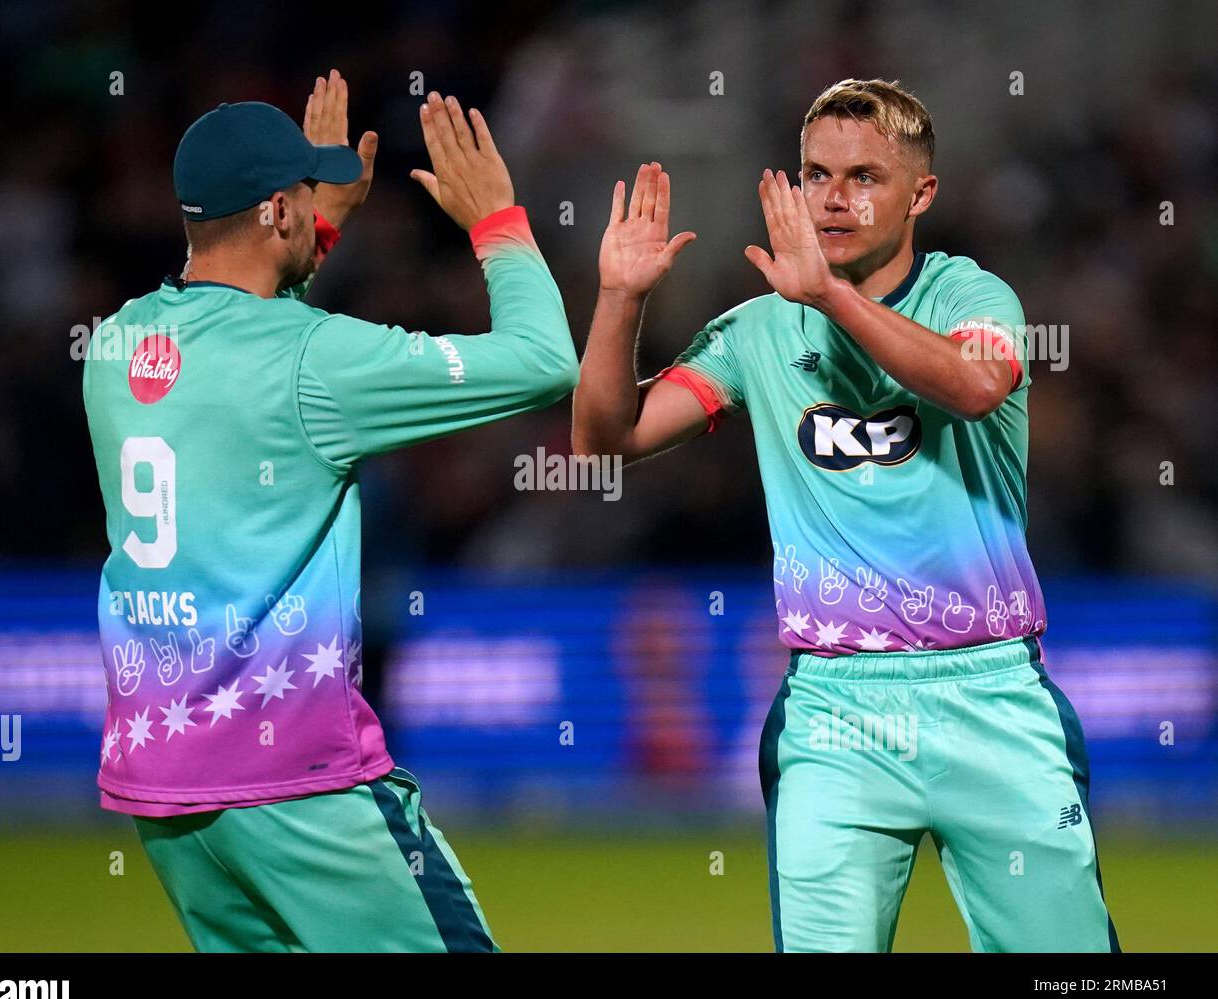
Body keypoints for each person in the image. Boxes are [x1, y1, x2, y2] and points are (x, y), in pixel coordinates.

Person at [571, 78, 1118, 953]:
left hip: (992, 695)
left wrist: (830, 297)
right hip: (834, 713)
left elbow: (977, 386)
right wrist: (620, 298)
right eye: (814, 173)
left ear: (921, 194)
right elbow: (608, 438)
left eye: (864, 175)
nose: (833, 197)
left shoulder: (971, 299)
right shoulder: (756, 331)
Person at [83, 70, 577, 952]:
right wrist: (496, 221)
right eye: (307, 193)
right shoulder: (316, 356)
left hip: (163, 791)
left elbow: (244, 367)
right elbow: (544, 361)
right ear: (276, 210)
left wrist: (318, 232)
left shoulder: (115, 343)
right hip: (297, 785)